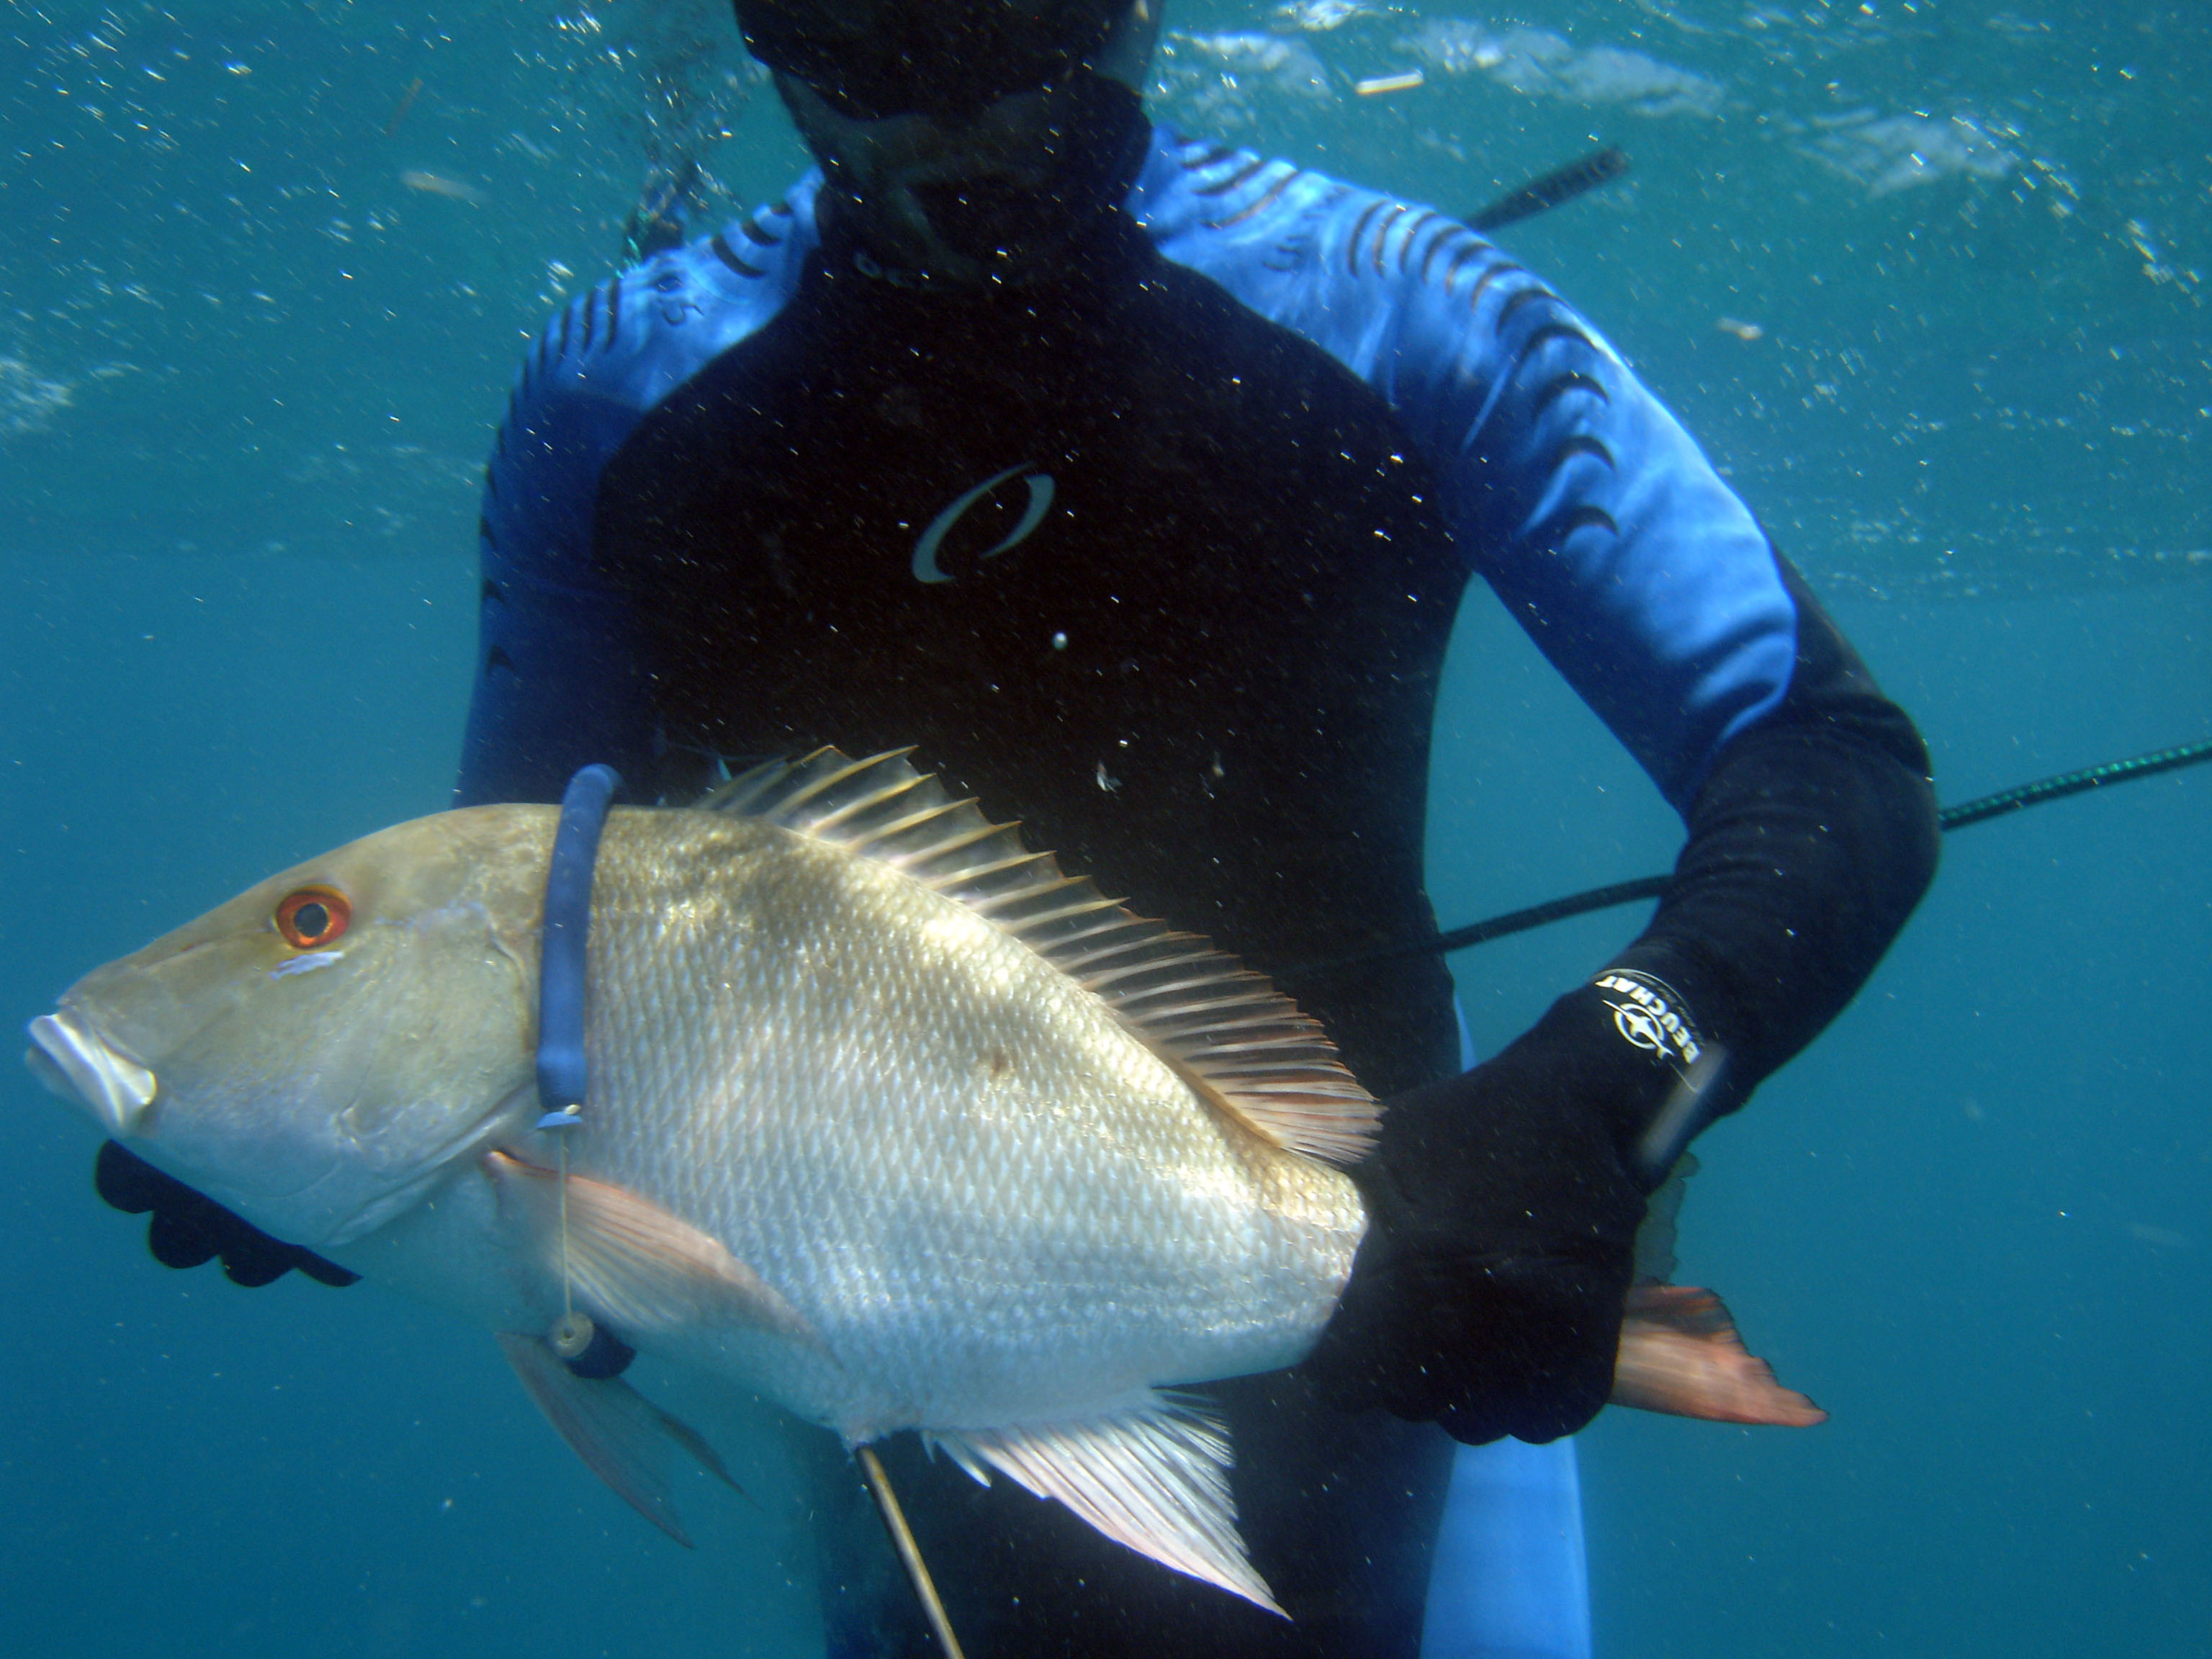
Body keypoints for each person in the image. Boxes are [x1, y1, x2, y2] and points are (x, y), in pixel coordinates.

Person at [99, 2, 1939, 1654]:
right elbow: (528, 896)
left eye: (1025, 15)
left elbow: (1828, 753)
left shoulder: (1396, 304)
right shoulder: (619, 384)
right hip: (856, 1258)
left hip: (1359, 1204)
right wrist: (337, 1124)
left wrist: (1596, 1094)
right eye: (865, 33)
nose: (960, 106)